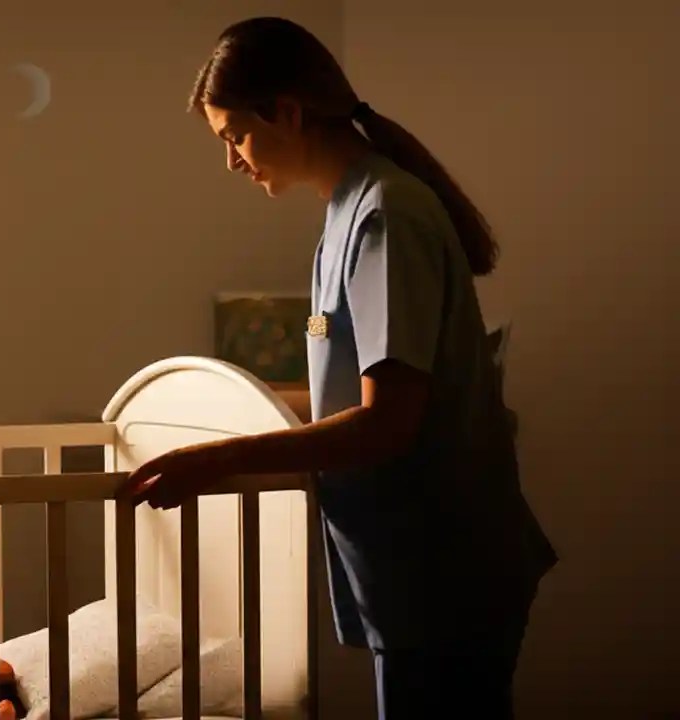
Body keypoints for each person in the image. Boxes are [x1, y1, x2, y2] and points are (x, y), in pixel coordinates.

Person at [119, 16, 557, 720]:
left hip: (445, 570)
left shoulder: (386, 217)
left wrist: (216, 460)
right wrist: (217, 418)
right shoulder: (345, 218)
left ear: (287, 112)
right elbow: (348, 391)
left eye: (235, 136)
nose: (232, 160)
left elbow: (386, 422)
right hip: (415, 571)